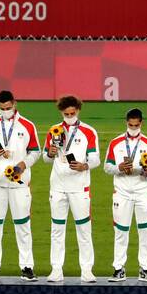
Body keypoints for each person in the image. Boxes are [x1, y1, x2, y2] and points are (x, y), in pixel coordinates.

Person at [0, 91, 39, 281]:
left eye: (8, 108)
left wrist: (23, 164)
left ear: (15, 104)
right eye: (2, 109)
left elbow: (35, 152)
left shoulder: (28, 125)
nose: (5, 111)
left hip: (19, 184)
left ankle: (27, 266)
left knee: (23, 227)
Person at [43, 95, 99, 283]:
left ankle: (87, 270)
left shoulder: (89, 132)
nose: (69, 116)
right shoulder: (54, 130)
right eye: (66, 114)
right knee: (57, 229)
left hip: (79, 187)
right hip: (57, 187)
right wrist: (50, 153)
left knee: (84, 229)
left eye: (72, 113)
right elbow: (45, 158)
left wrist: (84, 166)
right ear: (61, 112)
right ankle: (56, 269)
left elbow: (96, 159)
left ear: (78, 111)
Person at [103, 108, 147, 281]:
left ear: (141, 123)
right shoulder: (116, 143)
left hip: (143, 192)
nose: (133, 128)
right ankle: (119, 268)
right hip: (122, 193)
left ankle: (145, 268)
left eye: (136, 125)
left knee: (145, 231)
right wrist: (119, 168)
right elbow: (107, 167)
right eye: (130, 125)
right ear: (126, 123)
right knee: (121, 231)